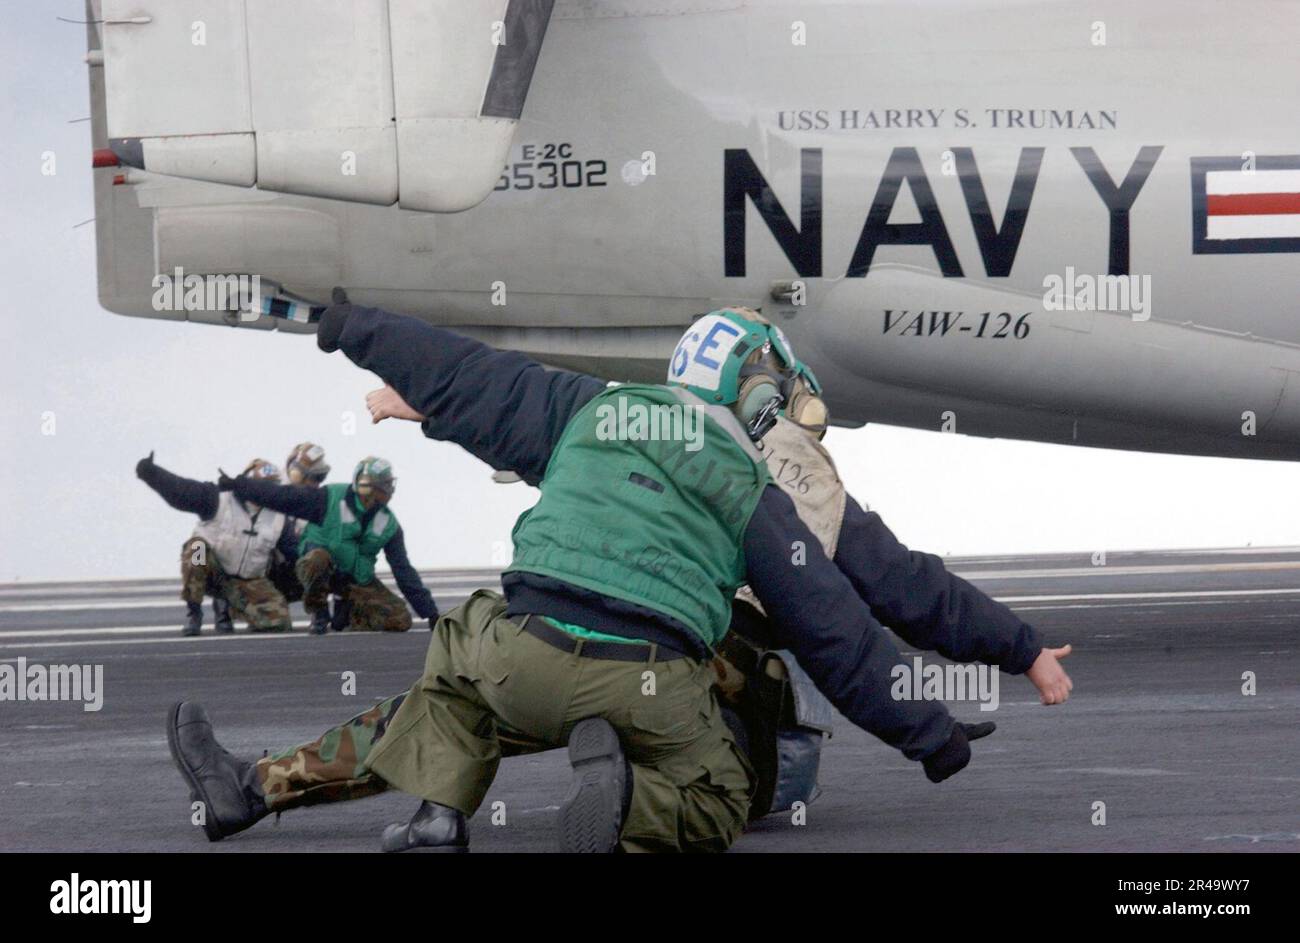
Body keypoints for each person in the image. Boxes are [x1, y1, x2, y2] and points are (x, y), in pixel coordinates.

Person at [169, 300, 1023, 853]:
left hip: (533, 648)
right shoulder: (780, 474)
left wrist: (351, 325)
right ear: (765, 381)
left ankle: (272, 790)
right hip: (683, 684)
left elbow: (484, 388)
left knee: (450, 697)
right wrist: (936, 727)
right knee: (723, 789)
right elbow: (864, 609)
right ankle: (627, 801)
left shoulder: (606, 412)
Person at [219, 456, 438, 634]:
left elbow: (403, 570)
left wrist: (430, 612)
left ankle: (349, 612)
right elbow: (280, 496)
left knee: (399, 620)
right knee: (317, 559)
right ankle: (319, 611)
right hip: (315, 571)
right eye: (384, 485)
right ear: (366, 486)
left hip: (353, 580)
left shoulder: (389, 524)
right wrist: (238, 485)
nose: (389, 490)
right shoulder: (329, 498)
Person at [137, 455, 296, 636]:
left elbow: (295, 553)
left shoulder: (280, 517)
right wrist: (151, 473)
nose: (266, 491)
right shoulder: (217, 499)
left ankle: (233, 609)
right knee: (196, 549)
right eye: (261, 485)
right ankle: (194, 614)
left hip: (248, 582)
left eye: (272, 487)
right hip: (213, 574)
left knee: (279, 623)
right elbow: (180, 490)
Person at [267, 442, 330, 604]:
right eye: (315, 477)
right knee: (198, 548)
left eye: (321, 477)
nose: (318, 483)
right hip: (267, 570)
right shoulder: (269, 495)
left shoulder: (316, 501)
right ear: (296, 474)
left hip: (293, 568)